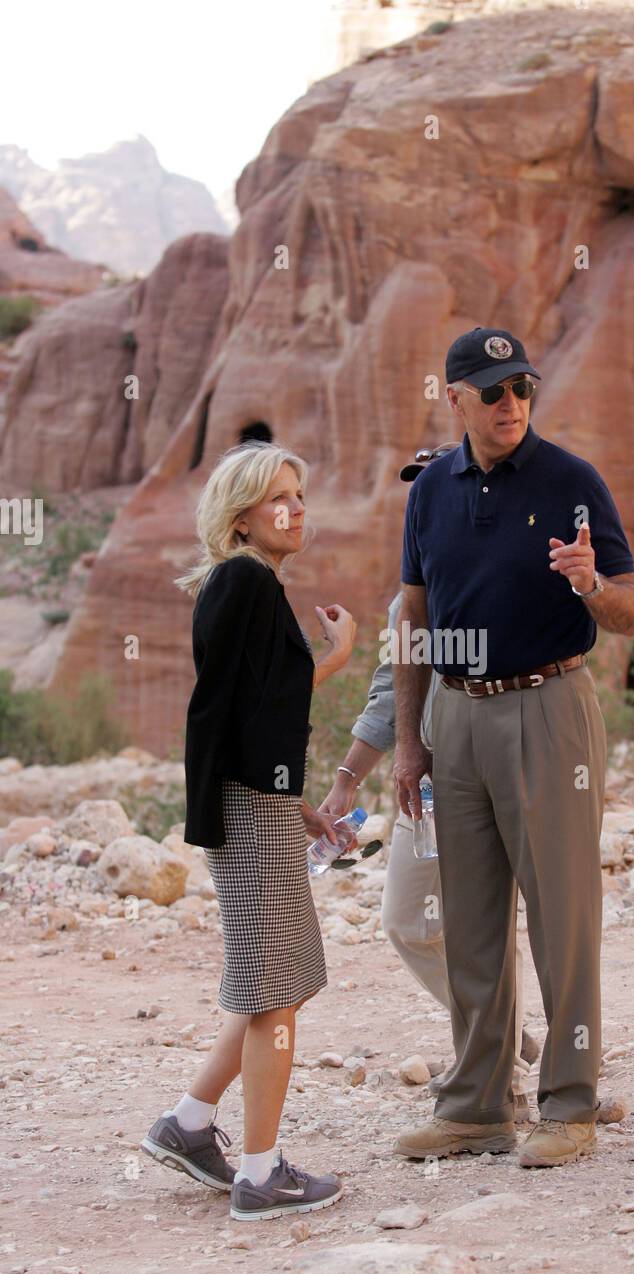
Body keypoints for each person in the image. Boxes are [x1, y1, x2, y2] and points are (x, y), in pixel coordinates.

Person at [392, 326, 634, 1167]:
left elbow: (632, 612)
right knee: (468, 922)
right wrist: (408, 742)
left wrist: (589, 584)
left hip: (548, 706)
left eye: (523, 389)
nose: (511, 405)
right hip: (455, 716)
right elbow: (414, 616)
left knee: (563, 917)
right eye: (493, 391)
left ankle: (568, 1103)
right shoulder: (429, 490)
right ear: (455, 396)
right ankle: (473, 1108)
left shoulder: (572, 480)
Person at [140, 439, 357, 1220]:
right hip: (244, 814)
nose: (295, 509)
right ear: (241, 516)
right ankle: (262, 1177)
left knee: (269, 984)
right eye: (277, 498)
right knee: (276, 998)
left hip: (251, 808)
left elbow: (241, 717)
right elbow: (273, 700)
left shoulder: (247, 583)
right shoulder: (244, 580)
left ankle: (188, 1126)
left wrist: (296, 805)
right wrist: (339, 655)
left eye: (299, 495)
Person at [318, 575, 539, 1122]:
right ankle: (501, 1035)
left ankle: (496, 1067)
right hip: (424, 787)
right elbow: (392, 692)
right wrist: (347, 779)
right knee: (407, 922)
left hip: (490, 775)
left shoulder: (498, 571)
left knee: (483, 924)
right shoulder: (412, 596)